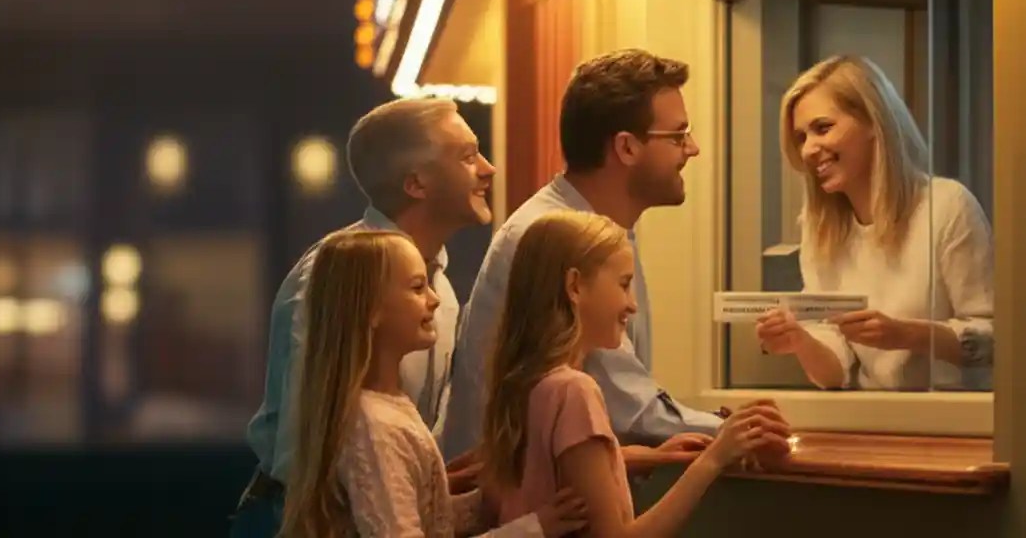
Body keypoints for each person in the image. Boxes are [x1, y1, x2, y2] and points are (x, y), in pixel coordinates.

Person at [443, 49, 725, 467]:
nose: (694, 148)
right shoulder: (553, 237)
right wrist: (735, 432)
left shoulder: (600, 228)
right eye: (679, 135)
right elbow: (632, 411)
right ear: (627, 148)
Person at [231, 98, 496, 537]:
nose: (488, 169)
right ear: (416, 183)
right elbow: (313, 457)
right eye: (468, 156)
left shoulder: (439, 288)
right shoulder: (333, 280)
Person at [481, 211, 792, 537]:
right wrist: (713, 459)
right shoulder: (574, 390)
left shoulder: (525, 384)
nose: (632, 305)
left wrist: (648, 456)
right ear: (574, 286)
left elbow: (564, 474)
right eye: (624, 284)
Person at [282, 229, 587, 537]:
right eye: (417, 288)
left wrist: (489, 502)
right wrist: (532, 529)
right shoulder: (374, 429)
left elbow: (429, 522)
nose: (434, 299)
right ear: (370, 309)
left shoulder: (388, 406)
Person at [755, 54, 994, 390]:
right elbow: (833, 373)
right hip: (872, 417)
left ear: (873, 121)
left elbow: (993, 340)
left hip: (952, 420)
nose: (809, 149)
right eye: (801, 137)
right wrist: (799, 341)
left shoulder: (947, 205)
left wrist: (906, 334)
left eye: (822, 128)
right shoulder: (818, 226)